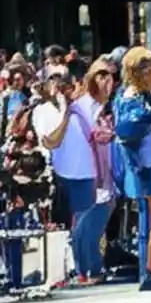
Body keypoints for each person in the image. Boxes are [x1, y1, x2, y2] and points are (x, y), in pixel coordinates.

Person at [32, 59, 115, 285]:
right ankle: (83, 270)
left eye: (64, 81)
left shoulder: (83, 105)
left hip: (92, 175)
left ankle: (92, 268)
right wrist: (65, 114)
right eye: (54, 80)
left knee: (91, 225)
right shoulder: (43, 111)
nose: (60, 86)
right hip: (67, 178)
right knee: (77, 229)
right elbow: (51, 141)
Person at [114, 47, 151, 290]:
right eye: (146, 66)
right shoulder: (131, 98)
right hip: (144, 166)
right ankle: (148, 272)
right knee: (150, 221)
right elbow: (128, 130)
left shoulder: (143, 96)